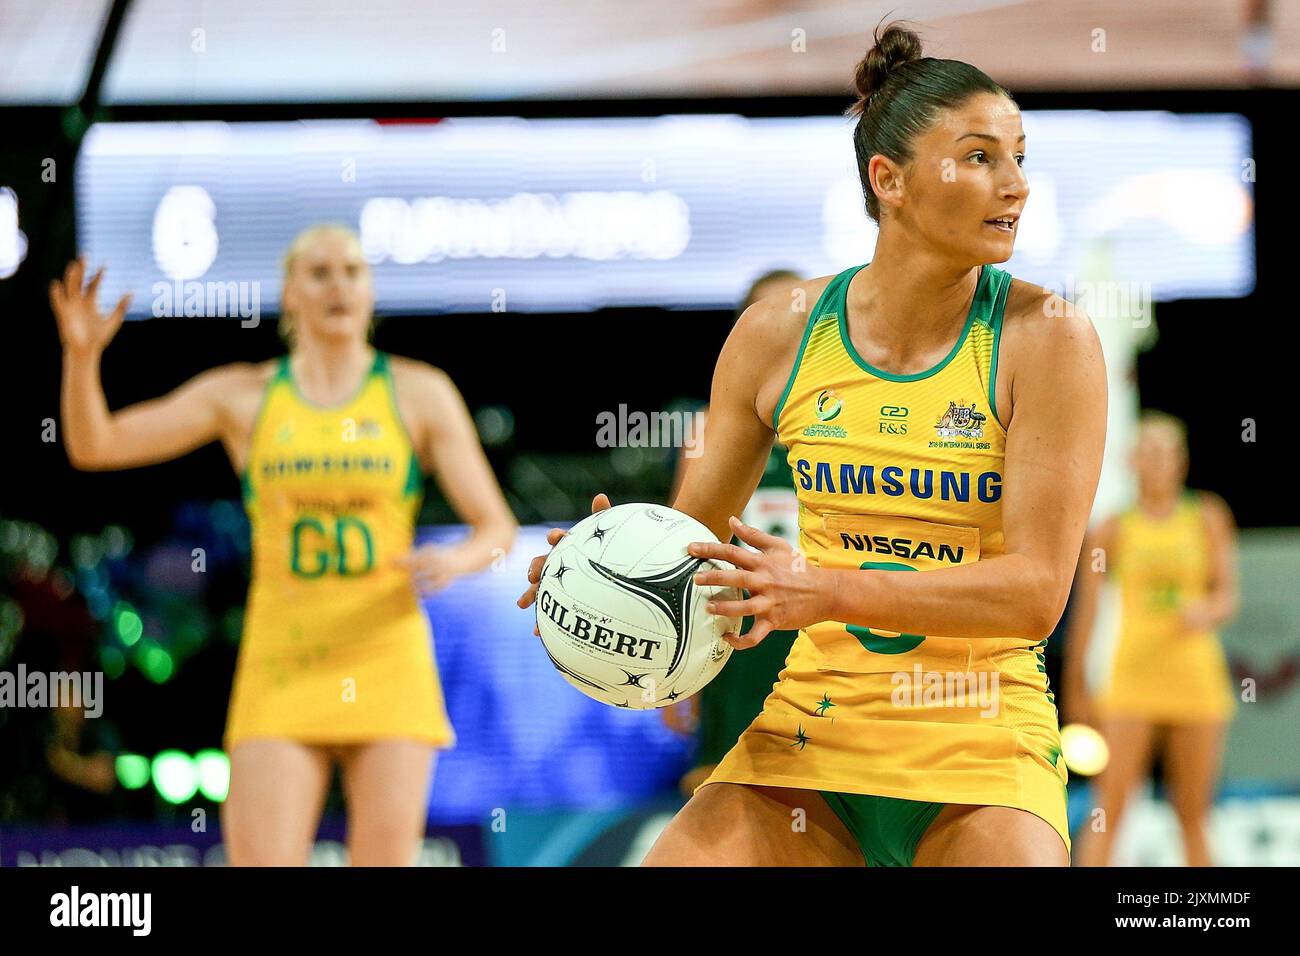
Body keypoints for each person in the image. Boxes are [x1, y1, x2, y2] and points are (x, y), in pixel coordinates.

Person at [521, 23, 1107, 866]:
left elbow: (1034, 595)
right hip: (808, 741)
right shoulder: (778, 334)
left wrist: (826, 589)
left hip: (983, 744)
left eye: (1019, 156)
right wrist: (604, 572)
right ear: (890, 179)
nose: (1015, 184)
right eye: (980, 157)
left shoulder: (1048, 338)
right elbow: (694, 546)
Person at [51, 224, 517, 865]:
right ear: (289, 294)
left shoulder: (419, 391)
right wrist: (81, 357)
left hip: (386, 654)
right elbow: (94, 445)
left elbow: (494, 528)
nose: (338, 286)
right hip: (282, 663)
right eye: (319, 273)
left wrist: (455, 559)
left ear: (370, 291)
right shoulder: (243, 394)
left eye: (352, 272)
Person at [1064, 412, 1238, 866]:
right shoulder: (1113, 529)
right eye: (1148, 452)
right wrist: (1077, 680)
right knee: (1111, 807)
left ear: (1181, 461)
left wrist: (1205, 610)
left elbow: (1226, 596)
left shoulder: (1207, 516)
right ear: (1131, 461)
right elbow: (1088, 608)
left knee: (1193, 813)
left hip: (1196, 678)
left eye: (1166, 452)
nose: (1157, 461)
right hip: (1132, 679)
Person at [662, 270, 804, 795]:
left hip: (825, 631)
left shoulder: (853, 421)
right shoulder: (710, 430)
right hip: (740, 637)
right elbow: (685, 543)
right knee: (725, 791)